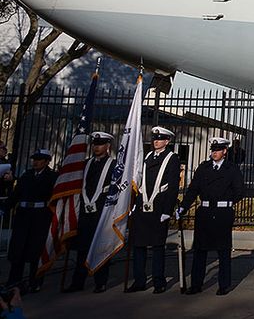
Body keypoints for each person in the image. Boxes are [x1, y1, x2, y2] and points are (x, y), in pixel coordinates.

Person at [179, 137, 245, 295]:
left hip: (223, 213)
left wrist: (226, 201)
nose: (214, 153)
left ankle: (224, 284)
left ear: (224, 151)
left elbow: (239, 191)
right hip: (205, 212)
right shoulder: (204, 168)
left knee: (223, 251)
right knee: (200, 250)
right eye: (213, 150)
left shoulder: (232, 169)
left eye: (217, 150)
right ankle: (196, 284)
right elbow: (193, 189)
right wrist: (183, 207)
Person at [127, 126, 182, 294]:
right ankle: (139, 280)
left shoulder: (172, 158)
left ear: (167, 141)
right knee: (139, 246)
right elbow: (141, 182)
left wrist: (167, 210)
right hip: (142, 208)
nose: (156, 141)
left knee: (158, 247)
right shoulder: (148, 156)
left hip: (159, 208)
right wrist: (135, 205)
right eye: (154, 139)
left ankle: (159, 281)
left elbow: (172, 187)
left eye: (159, 139)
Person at [64, 131, 117, 293]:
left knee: (101, 248)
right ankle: (77, 282)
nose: (96, 147)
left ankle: (100, 281)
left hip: (102, 213)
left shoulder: (113, 165)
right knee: (82, 249)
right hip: (85, 214)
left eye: (100, 144)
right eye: (94, 144)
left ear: (107, 146)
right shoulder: (86, 164)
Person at [4, 149, 56, 291]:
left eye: (39, 160)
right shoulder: (26, 175)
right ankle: (14, 280)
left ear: (46, 161)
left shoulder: (51, 176)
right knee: (18, 250)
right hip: (23, 216)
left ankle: (35, 281)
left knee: (36, 250)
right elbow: (16, 194)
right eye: (34, 159)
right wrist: (6, 207)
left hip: (40, 217)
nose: (35, 162)